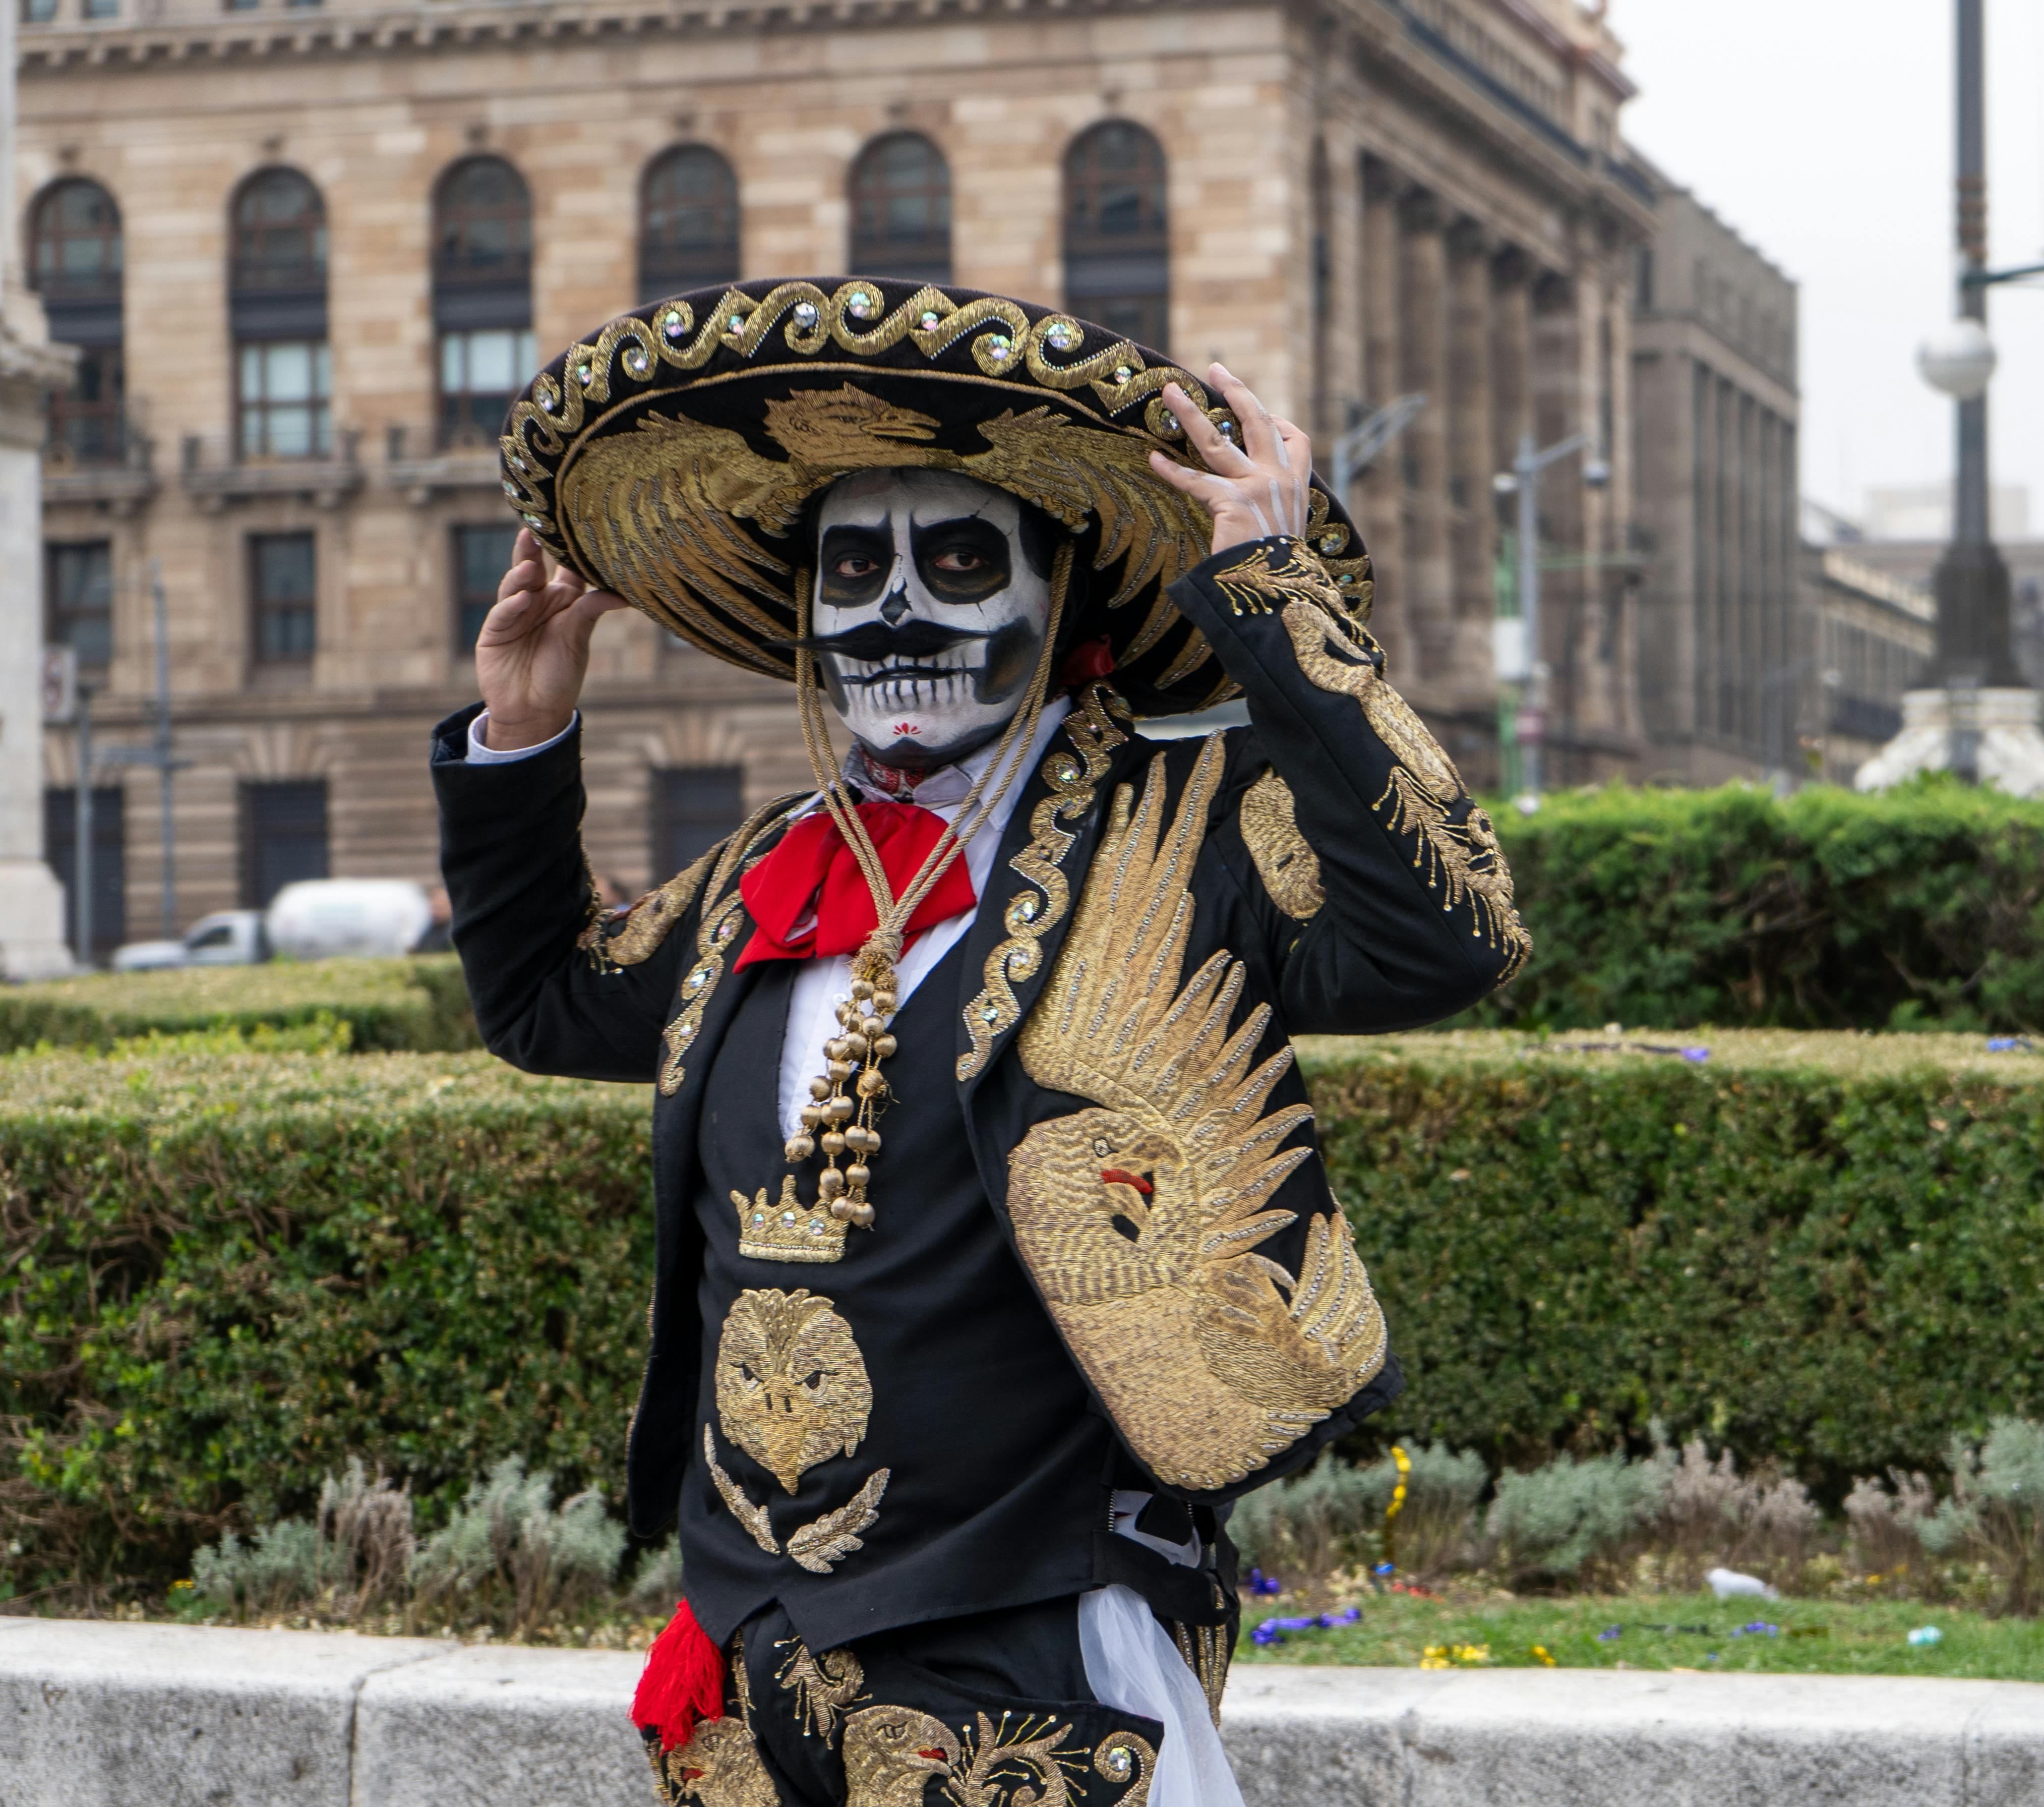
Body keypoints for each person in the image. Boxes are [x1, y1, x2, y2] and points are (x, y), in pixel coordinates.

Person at [432, 278, 1527, 1807]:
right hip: (750, 1640)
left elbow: (1447, 935)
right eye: (851, 568)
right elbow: (544, 1003)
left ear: (1063, 600)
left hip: (1028, 1633)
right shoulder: (769, 871)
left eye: (956, 561)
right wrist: (524, 731)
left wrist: (1277, 604)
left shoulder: (1188, 835)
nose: (893, 613)